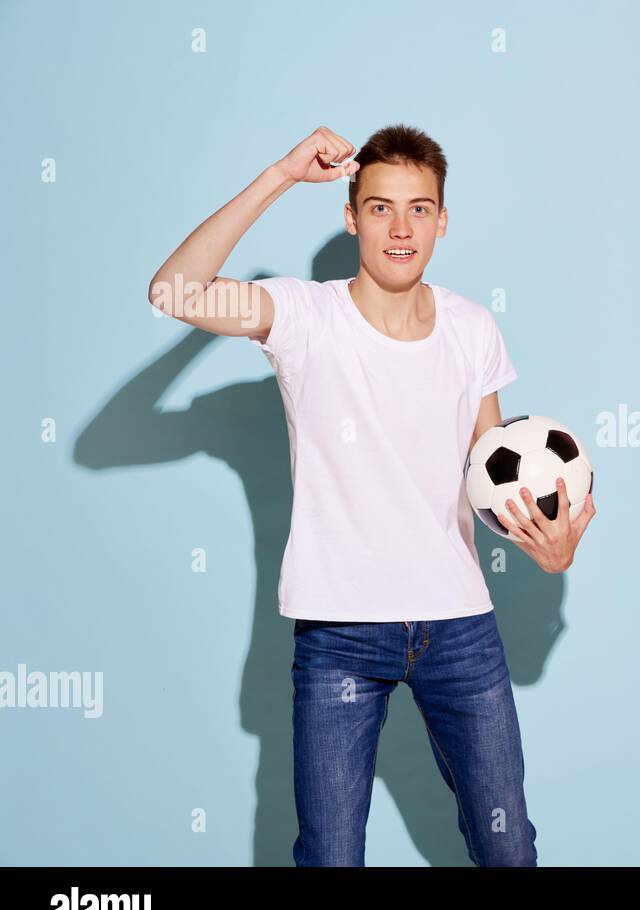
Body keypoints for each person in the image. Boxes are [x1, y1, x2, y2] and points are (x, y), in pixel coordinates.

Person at [148, 124, 596, 866]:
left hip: (459, 628)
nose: (400, 227)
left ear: (443, 220)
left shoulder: (471, 327)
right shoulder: (304, 316)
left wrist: (554, 543)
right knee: (329, 854)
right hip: (341, 634)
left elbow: (493, 477)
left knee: (509, 846)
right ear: (351, 215)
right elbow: (171, 291)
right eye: (381, 207)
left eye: (420, 209)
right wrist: (282, 173)